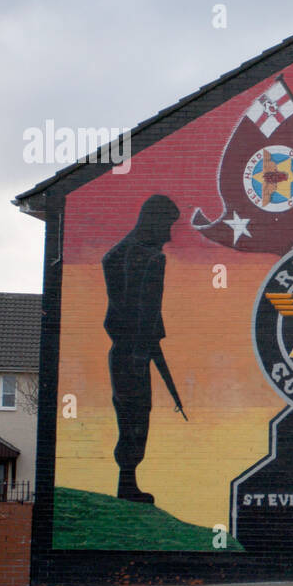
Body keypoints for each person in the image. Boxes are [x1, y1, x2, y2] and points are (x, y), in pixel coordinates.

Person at [102, 195, 180, 503]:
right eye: (168, 226)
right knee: (137, 415)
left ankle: (126, 481)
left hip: (122, 349)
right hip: (135, 352)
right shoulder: (151, 259)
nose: (170, 235)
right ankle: (127, 483)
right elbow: (147, 309)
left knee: (126, 412)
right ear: (155, 221)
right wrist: (145, 348)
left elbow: (125, 305)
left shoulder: (117, 254)